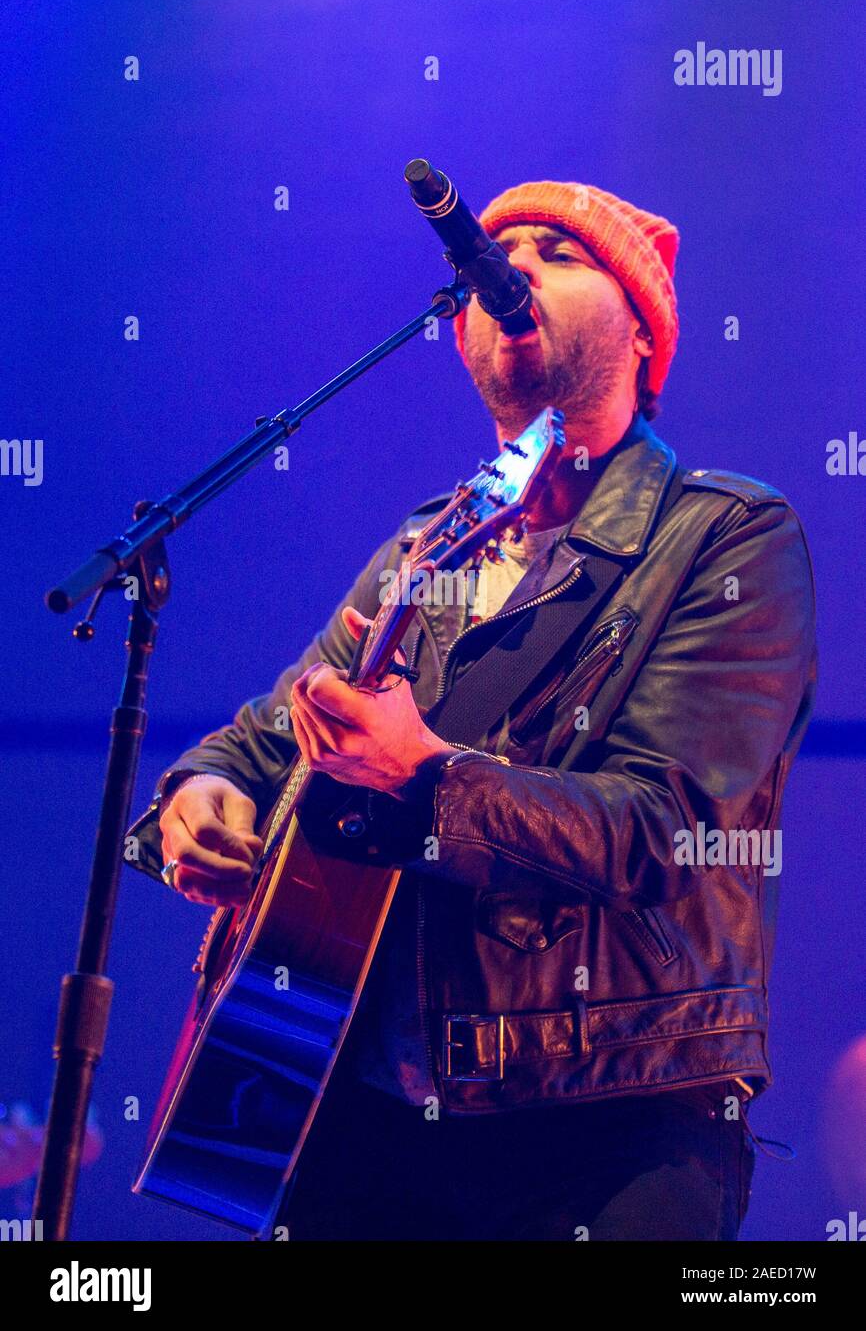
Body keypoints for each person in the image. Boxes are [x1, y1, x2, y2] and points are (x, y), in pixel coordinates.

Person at [129, 180, 817, 1240]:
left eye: (557, 250)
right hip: (350, 1106)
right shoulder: (424, 547)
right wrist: (202, 795)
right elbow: (268, 735)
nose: (513, 270)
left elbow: (665, 831)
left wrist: (430, 778)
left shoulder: (724, 538)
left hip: (602, 1122)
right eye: (492, 259)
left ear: (641, 325)